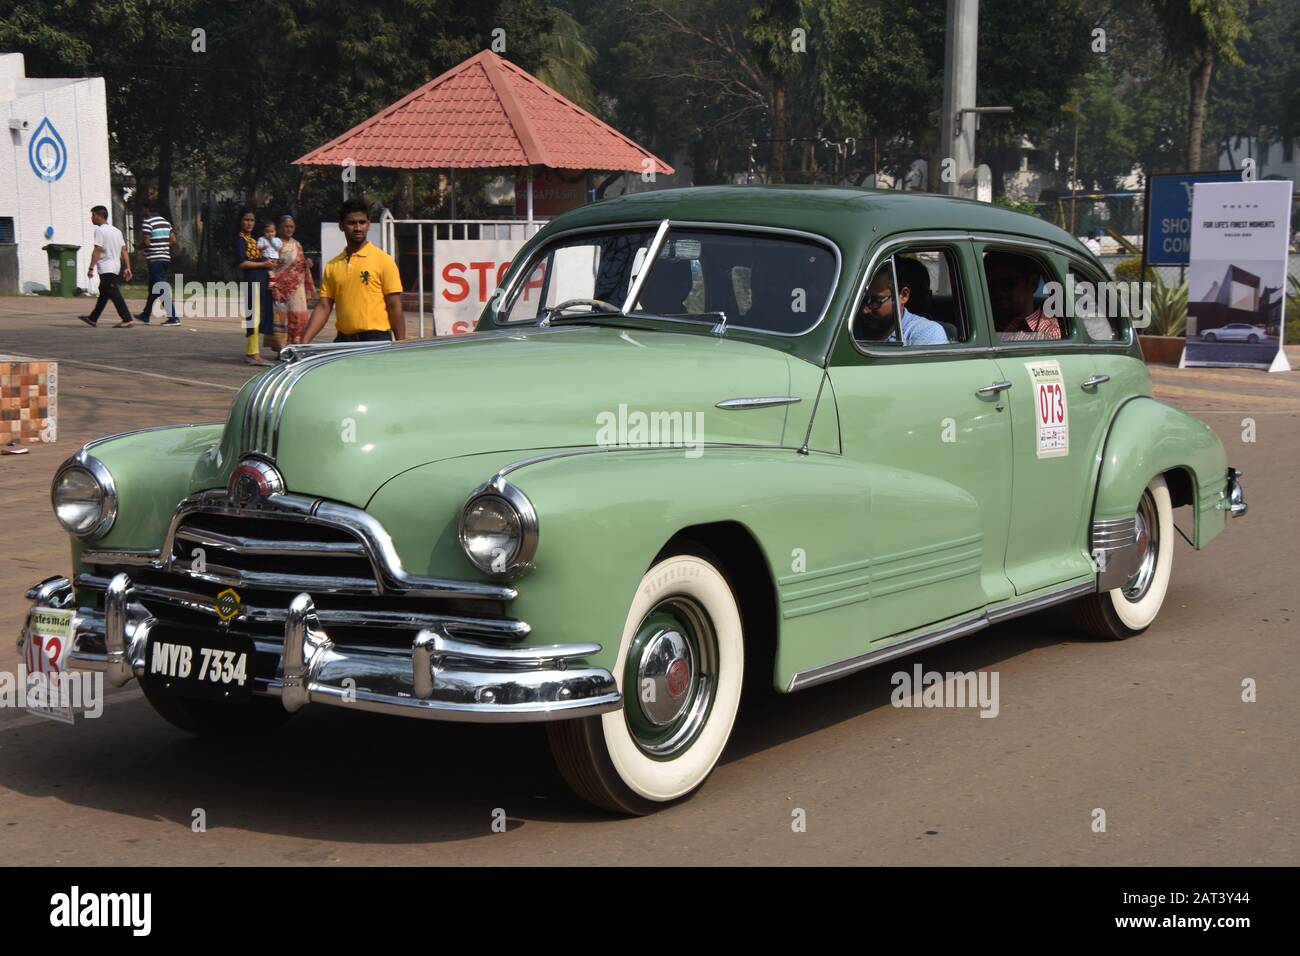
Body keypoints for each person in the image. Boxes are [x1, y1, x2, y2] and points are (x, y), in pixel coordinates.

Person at [303, 199, 405, 343]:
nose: (358, 228)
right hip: (343, 342)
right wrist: (303, 342)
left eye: (362, 222)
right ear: (341, 226)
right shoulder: (333, 265)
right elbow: (324, 307)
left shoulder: (384, 261)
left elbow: (395, 306)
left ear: (368, 224)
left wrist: (401, 345)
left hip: (375, 341)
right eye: (351, 223)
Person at [853, 256, 948, 345]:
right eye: (862, 299)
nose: (864, 310)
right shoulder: (851, 328)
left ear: (903, 296)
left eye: (875, 301)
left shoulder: (925, 334)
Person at [985, 250, 1061, 341]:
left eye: (1007, 284)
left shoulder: (1049, 333)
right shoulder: (980, 324)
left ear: (1033, 283)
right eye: (990, 286)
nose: (998, 292)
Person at [79, 205, 134, 328]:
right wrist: (128, 267)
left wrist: (91, 268)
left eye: (93, 215)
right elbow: (124, 250)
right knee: (104, 293)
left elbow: (97, 250)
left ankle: (127, 319)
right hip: (115, 267)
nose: (91, 218)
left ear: (100, 216)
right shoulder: (116, 231)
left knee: (114, 294)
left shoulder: (100, 231)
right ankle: (93, 318)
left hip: (106, 268)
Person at [234, 207, 276, 365]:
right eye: (246, 220)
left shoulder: (256, 238)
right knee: (254, 316)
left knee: (261, 315)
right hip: (252, 280)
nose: (249, 223)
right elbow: (242, 263)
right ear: (240, 221)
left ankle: (253, 352)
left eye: (252, 220)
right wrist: (263, 264)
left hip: (262, 280)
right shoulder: (239, 239)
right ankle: (253, 354)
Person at [270, 215, 315, 345]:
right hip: (280, 289)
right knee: (282, 320)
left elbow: (300, 263)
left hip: (297, 288)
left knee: (298, 317)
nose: (289, 229)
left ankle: (297, 345)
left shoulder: (297, 245)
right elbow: (271, 266)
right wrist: (274, 287)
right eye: (286, 226)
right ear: (279, 228)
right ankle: (282, 348)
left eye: (291, 227)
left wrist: (308, 263)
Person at [136, 199, 180, 325]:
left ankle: (173, 317)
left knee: (160, 287)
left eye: (143, 209)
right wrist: (162, 245)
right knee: (153, 288)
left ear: (147, 209)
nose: (142, 211)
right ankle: (145, 314)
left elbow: (147, 242)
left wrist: (138, 247)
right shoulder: (166, 222)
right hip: (165, 258)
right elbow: (173, 240)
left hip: (155, 259)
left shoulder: (147, 222)